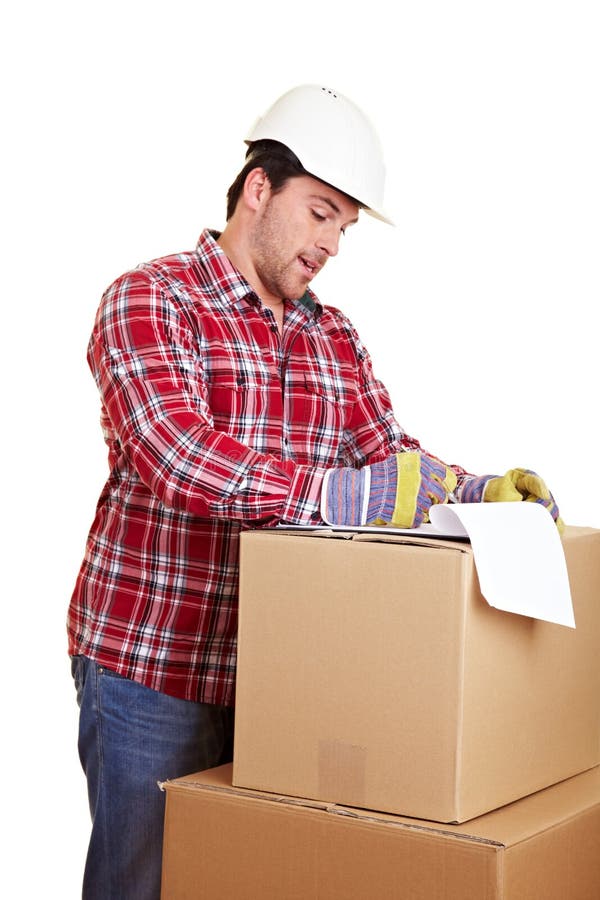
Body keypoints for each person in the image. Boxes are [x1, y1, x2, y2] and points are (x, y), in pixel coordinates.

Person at [68, 84, 561, 899]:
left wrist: (482, 493)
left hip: (279, 683)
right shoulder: (151, 300)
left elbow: (387, 458)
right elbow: (178, 455)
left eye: (344, 227)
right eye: (321, 212)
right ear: (258, 188)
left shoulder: (334, 338)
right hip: (150, 668)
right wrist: (340, 497)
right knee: (142, 886)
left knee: (244, 882)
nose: (332, 243)